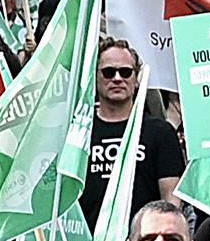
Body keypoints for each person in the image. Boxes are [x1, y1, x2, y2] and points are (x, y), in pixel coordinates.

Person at [79, 39, 184, 220]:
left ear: (136, 79)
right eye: (108, 72)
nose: (117, 78)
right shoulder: (78, 132)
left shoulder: (161, 133)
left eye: (126, 72)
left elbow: (171, 200)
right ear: (95, 77)